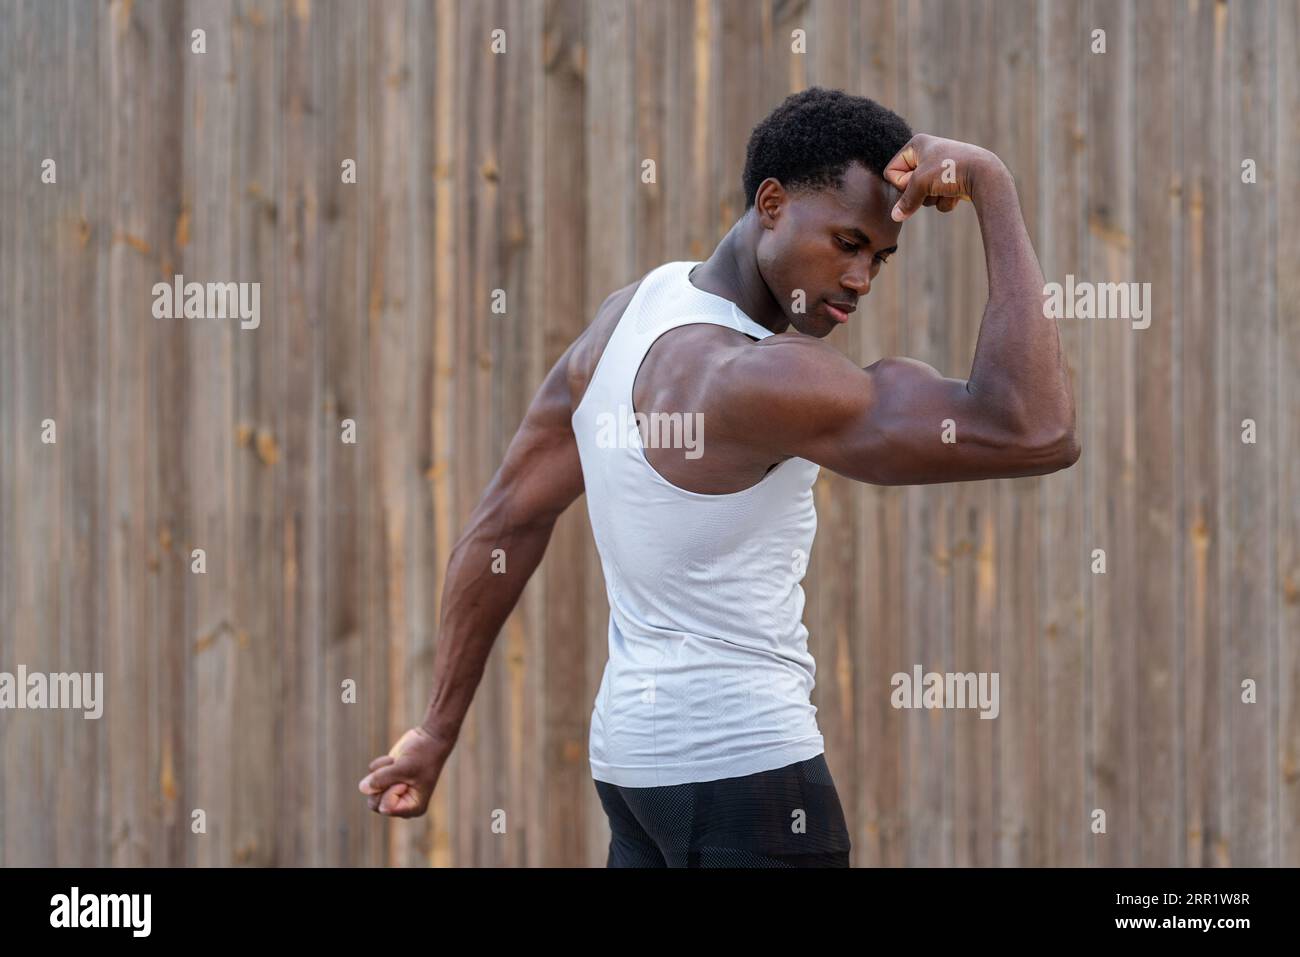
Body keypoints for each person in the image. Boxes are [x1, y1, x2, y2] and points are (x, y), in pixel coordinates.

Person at [358, 87, 1079, 867]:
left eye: (879, 255)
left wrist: (435, 728)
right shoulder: (761, 381)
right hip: (753, 786)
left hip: (636, 780)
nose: (862, 278)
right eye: (845, 241)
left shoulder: (627, 316)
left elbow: (505, 522)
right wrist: (993, 187)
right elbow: (1035, 428)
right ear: (771, 203)